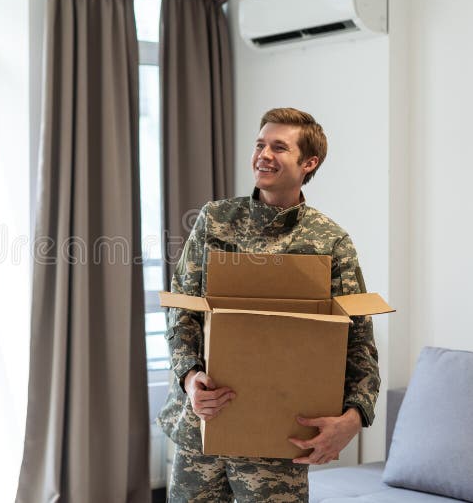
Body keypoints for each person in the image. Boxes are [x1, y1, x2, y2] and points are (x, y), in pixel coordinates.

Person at [156, 107, 380, 502]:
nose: (264, 155)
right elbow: (182, 310)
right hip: (202, 427)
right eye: (260, 145)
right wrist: (190, 379)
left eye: (279, 147)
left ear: (309, 163)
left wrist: (353, 418)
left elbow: (358, 340)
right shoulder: (214, 220)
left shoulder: (330, 242)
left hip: (278, 439)